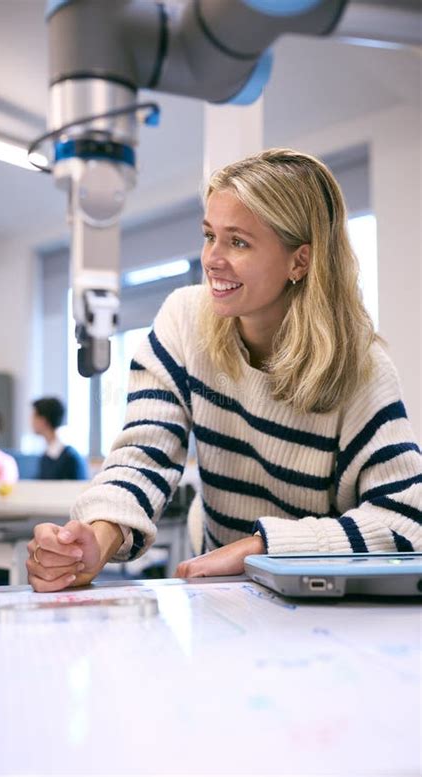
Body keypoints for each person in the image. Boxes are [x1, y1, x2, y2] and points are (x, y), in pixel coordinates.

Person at [26, 148, 422, 593]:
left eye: (238, 241)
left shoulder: (362, 369)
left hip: (319, 597)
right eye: (209, 235)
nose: (212, 258)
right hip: (221, 593)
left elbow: (408, 520)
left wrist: (261, 547)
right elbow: (144, 455)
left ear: (300, 261)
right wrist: (95, 538)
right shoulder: (184, 319)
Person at [31, 397, 88, 480]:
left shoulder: (70, 458)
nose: (31, 422)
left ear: (43, 421)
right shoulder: (46, 457)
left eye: (34, 417)